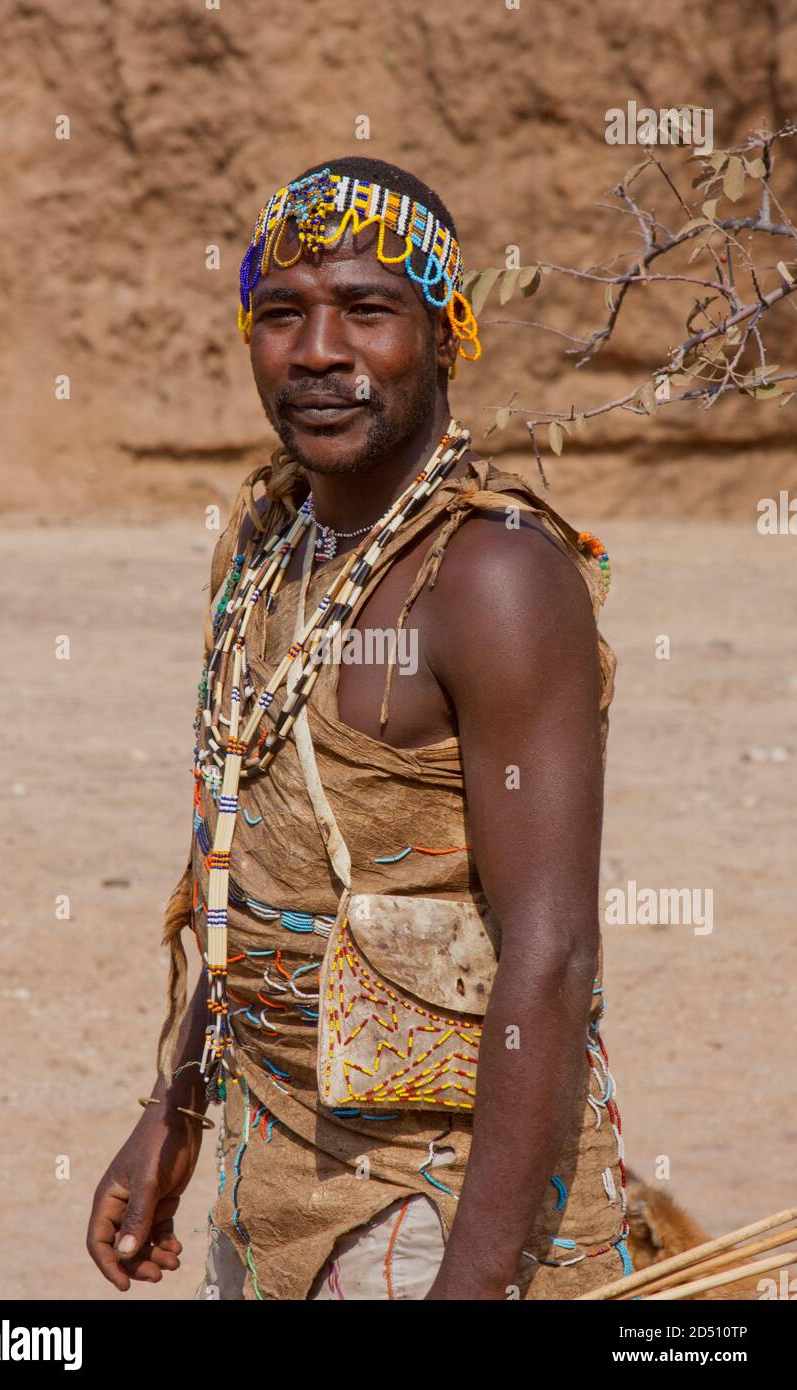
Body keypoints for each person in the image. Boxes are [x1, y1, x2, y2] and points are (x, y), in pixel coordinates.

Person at [87, 156, 629, 1300]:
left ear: (444, 335)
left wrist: (469, 1286)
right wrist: (172, 1111)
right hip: (270, 1171)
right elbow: (249, 869)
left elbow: (552, 951)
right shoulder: (269, 540)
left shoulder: (492, 578)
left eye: (367, 310)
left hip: (431, 1206)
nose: (318, 351)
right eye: (281, 313)